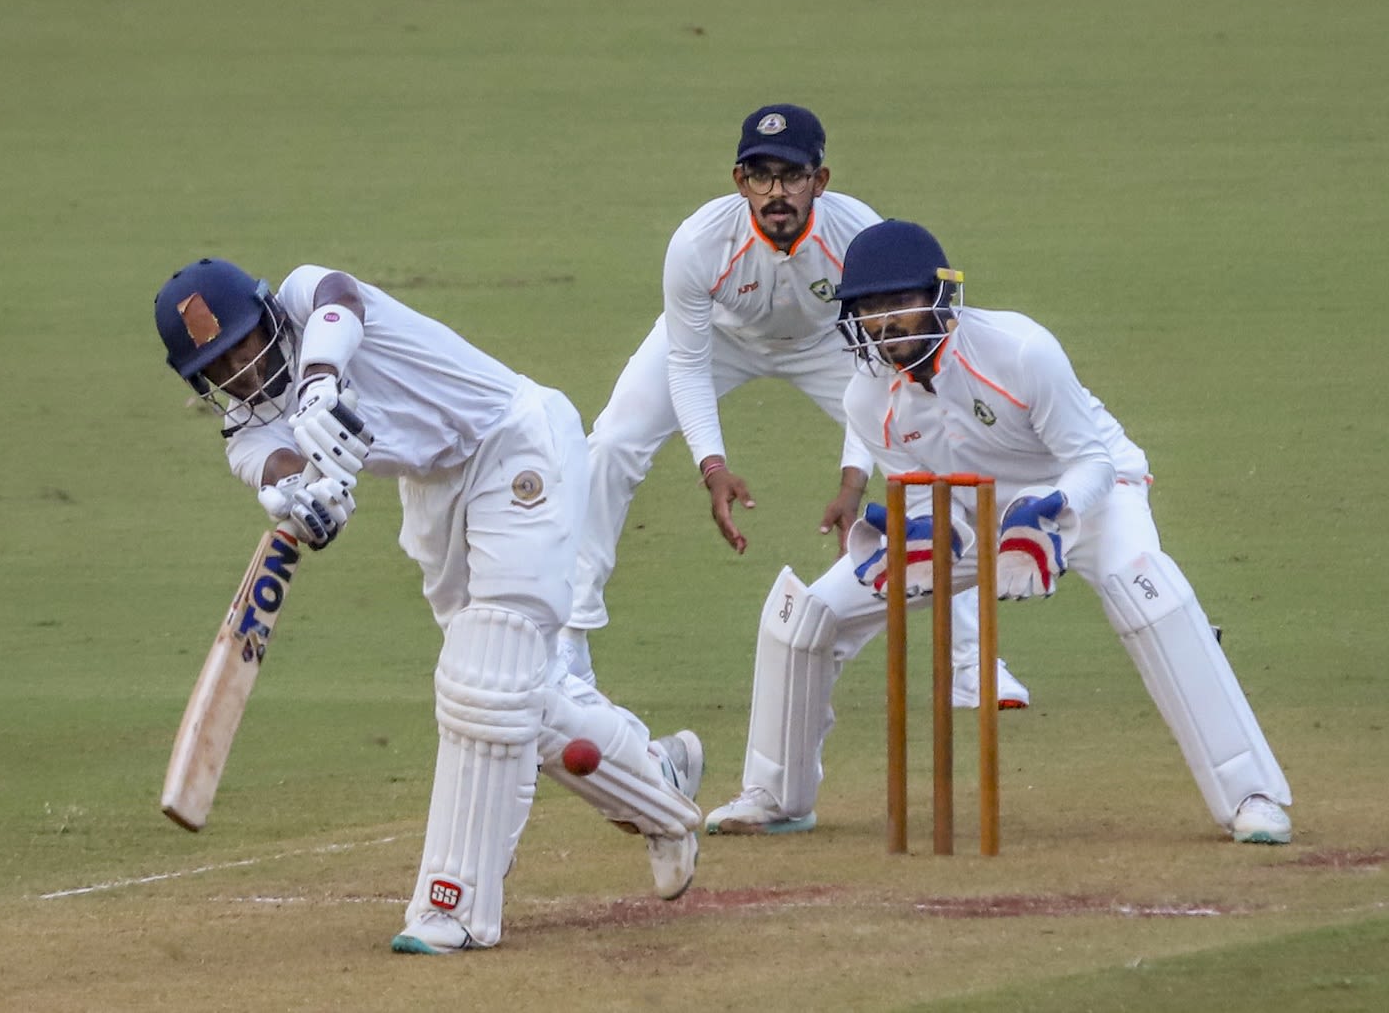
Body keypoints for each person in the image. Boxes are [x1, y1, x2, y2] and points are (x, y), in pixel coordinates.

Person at [152, 258, 705, 953]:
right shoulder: (247, 435)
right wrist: (310, 502)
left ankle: (455, 908)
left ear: (268, 317)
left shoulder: (304, 297)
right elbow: (275, 470)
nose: (240, 368)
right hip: (432, 491)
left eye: (243, 343)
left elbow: (338, 297)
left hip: (514, 440)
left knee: (487, 677)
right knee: (501, 696)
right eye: (217, 364)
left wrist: (321, 381)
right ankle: (658, 788)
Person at [705, 220, 1292, 843]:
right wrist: (921, 539)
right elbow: (928, 495)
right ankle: (776, 795)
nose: (884, 321)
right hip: (972, 512)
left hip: (1089, 493)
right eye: (869, 307)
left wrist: (1045, 515)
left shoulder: (1020, 349)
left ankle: (1251, 794)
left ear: (939, 296)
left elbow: (1091, 460)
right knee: (806, 615)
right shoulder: (866, 398)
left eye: (898, 301)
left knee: (1149, 594)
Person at [559, 103, 1028, 713]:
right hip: (721, 338)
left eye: (793, 175)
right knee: (612, 444)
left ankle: (973, 663)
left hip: (832, 344)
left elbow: (880, 361)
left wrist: (854, 478)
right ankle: (568, 645)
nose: (776, 192)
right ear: (739, 181)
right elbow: (687, 362)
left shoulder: (859, 236)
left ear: (820, 180)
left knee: (926, 464)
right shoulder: (700, 244)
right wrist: (712, 465)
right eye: (761, 176)